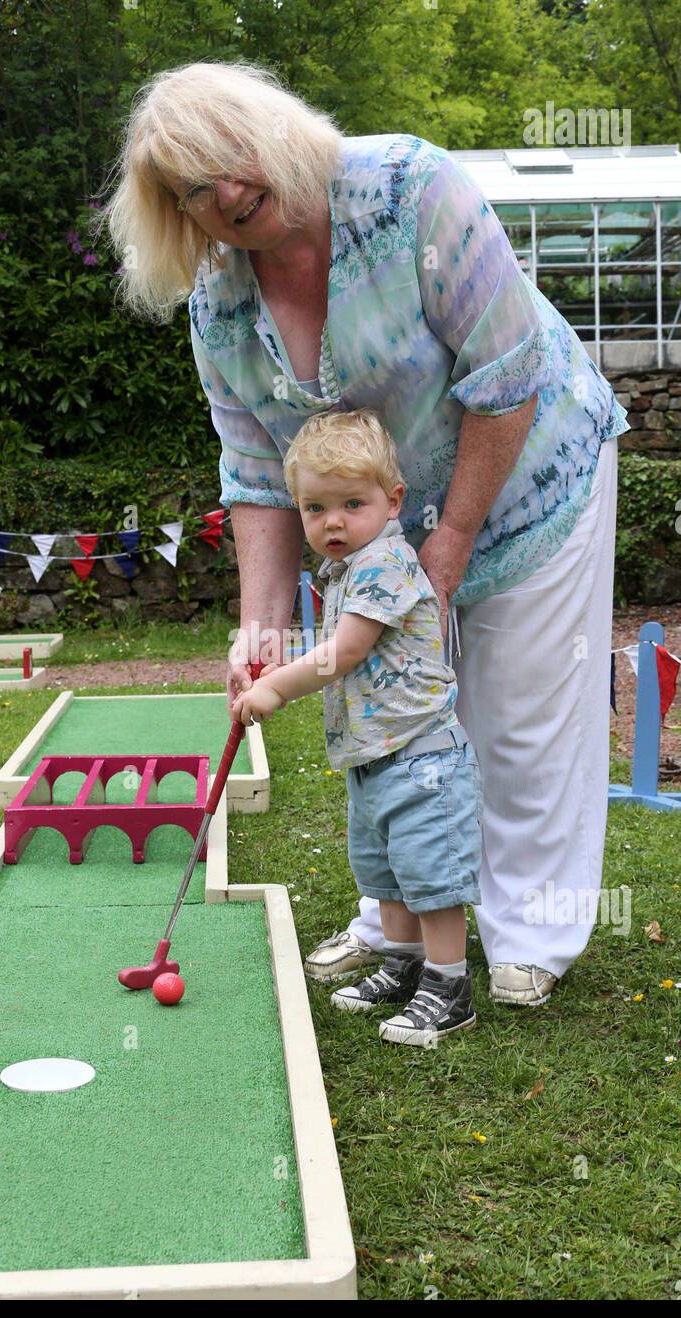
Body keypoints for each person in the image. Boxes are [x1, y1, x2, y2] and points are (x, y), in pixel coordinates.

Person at [102, 59, 628, 1007]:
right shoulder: (217, 303)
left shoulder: (411, 190)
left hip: (527, 476)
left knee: (516, 710)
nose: (227, 192)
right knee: (393, 714)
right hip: (379, 535)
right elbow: (258, 473)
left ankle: (529, 935)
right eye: (193, 189)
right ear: (180, 214)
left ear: (272, 130)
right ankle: (396, 926)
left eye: (233, 156)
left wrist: (452, 539)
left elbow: (508, 378)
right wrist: (261, 626)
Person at [232, 408, 482, 1047]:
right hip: (375, 757)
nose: (333, 521)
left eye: (351, 503)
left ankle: (449, 989)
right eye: (315, 509)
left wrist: (275, 688)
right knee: (388, 875)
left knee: (430, 877)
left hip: (421, 755)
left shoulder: (385, 564)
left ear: (392, 500)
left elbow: (344, 653)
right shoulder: (342, 571)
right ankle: (404, 968)